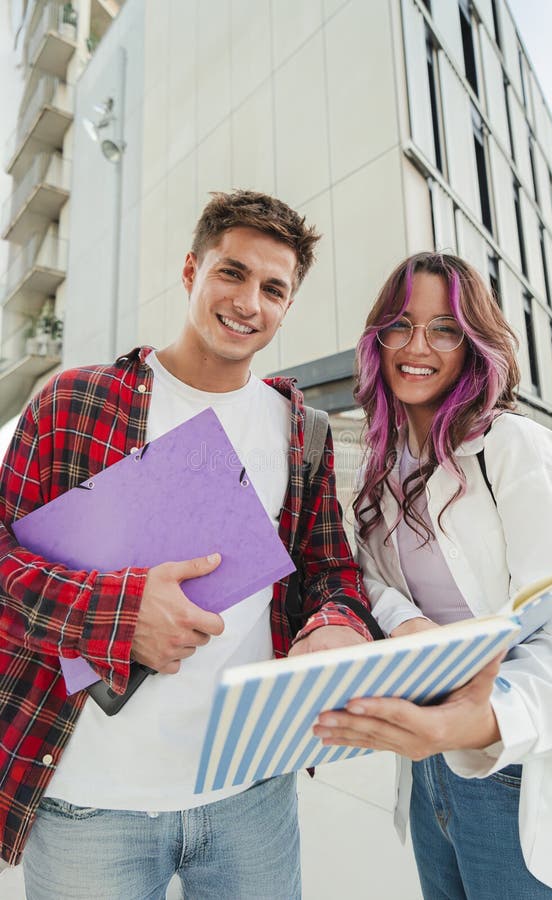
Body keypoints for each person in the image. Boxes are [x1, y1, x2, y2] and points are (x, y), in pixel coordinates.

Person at [0, 190, 373, 898]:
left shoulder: (303, 431)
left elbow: (331, 571)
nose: (248, 302)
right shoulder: (74, 402)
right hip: (91, 797)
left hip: (250, 793)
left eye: (273, 288)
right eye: (230, 273)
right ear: (190, 272)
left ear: (287, 305)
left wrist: (335, 627)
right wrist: (119, 612)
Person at [314, 252, 552, 899]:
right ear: (378, 338)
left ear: (473, 343)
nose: (418, 347)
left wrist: (471, 724)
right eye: (401, 325)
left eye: (443, 328)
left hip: (515, 771)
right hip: (428, 770)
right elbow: (369, 582)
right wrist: (406, 621)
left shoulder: (514, 449)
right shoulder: (385, 472)